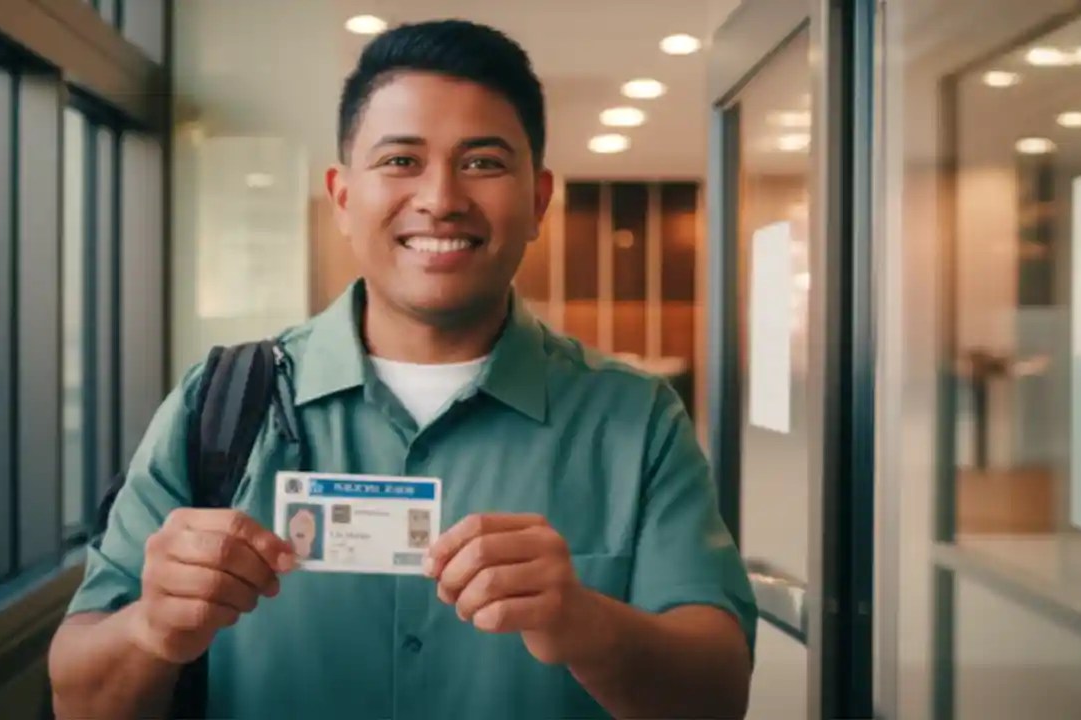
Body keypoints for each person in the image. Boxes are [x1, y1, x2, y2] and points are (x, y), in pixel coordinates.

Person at [48, 18, 756, 720]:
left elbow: (718, 695)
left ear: (538, 199)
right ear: (344, 196)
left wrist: (584, 622)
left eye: (483, 162)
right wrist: (152, 629)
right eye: (399, 161)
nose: (442, 198)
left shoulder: (635, 420)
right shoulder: (222, 404)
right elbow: (79, 697)